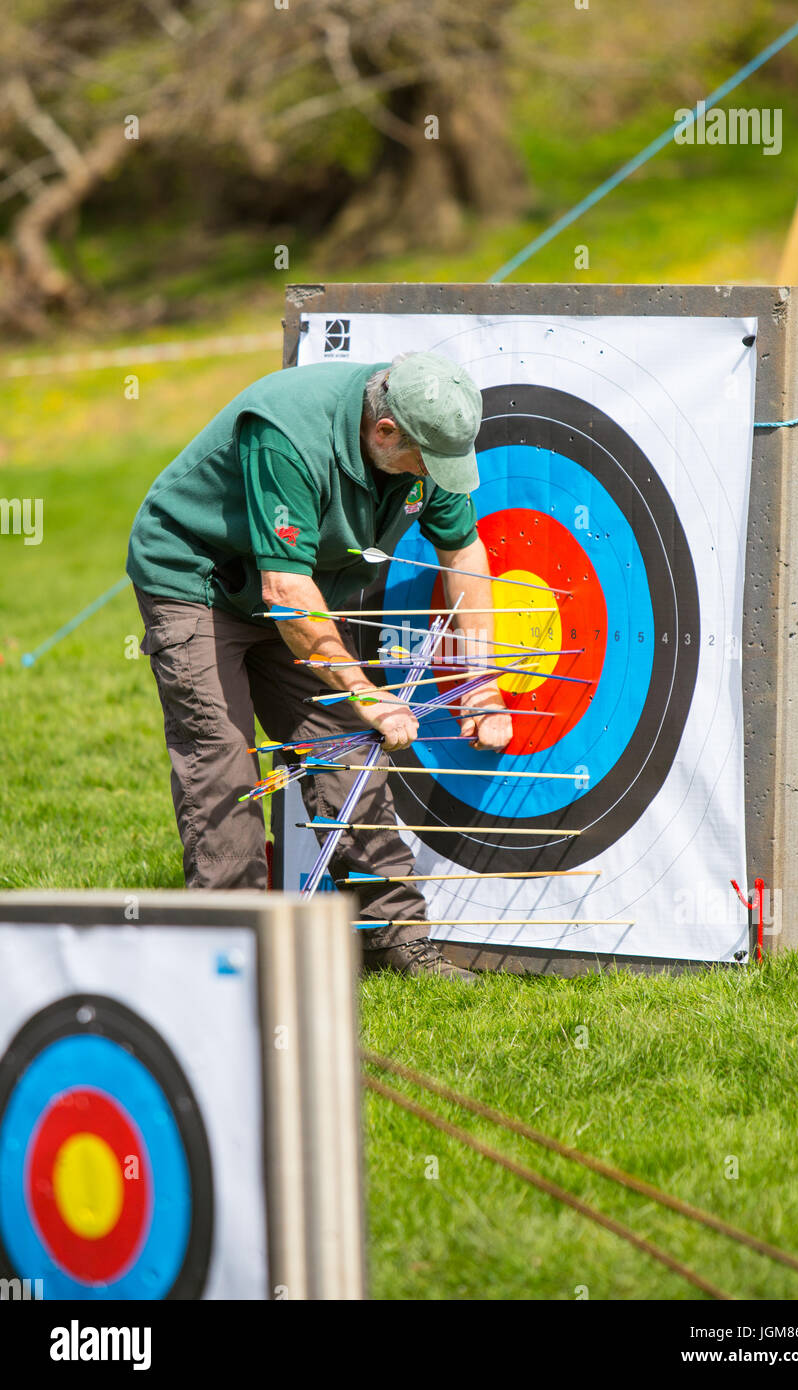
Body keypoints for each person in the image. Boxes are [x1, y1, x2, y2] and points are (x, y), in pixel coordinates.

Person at [127, 351, 512, 979]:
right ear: (383, 434)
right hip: (200, 582)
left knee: (347, 752)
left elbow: (462, 555)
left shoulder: (427, 433)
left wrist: (479, 680)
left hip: (297, 595)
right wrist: (366, 691)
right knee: (223, 764)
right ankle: (237, 955)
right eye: (425, 463)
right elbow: (285, 593)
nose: (435, 476)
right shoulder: (285, 434)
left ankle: (394, 939)